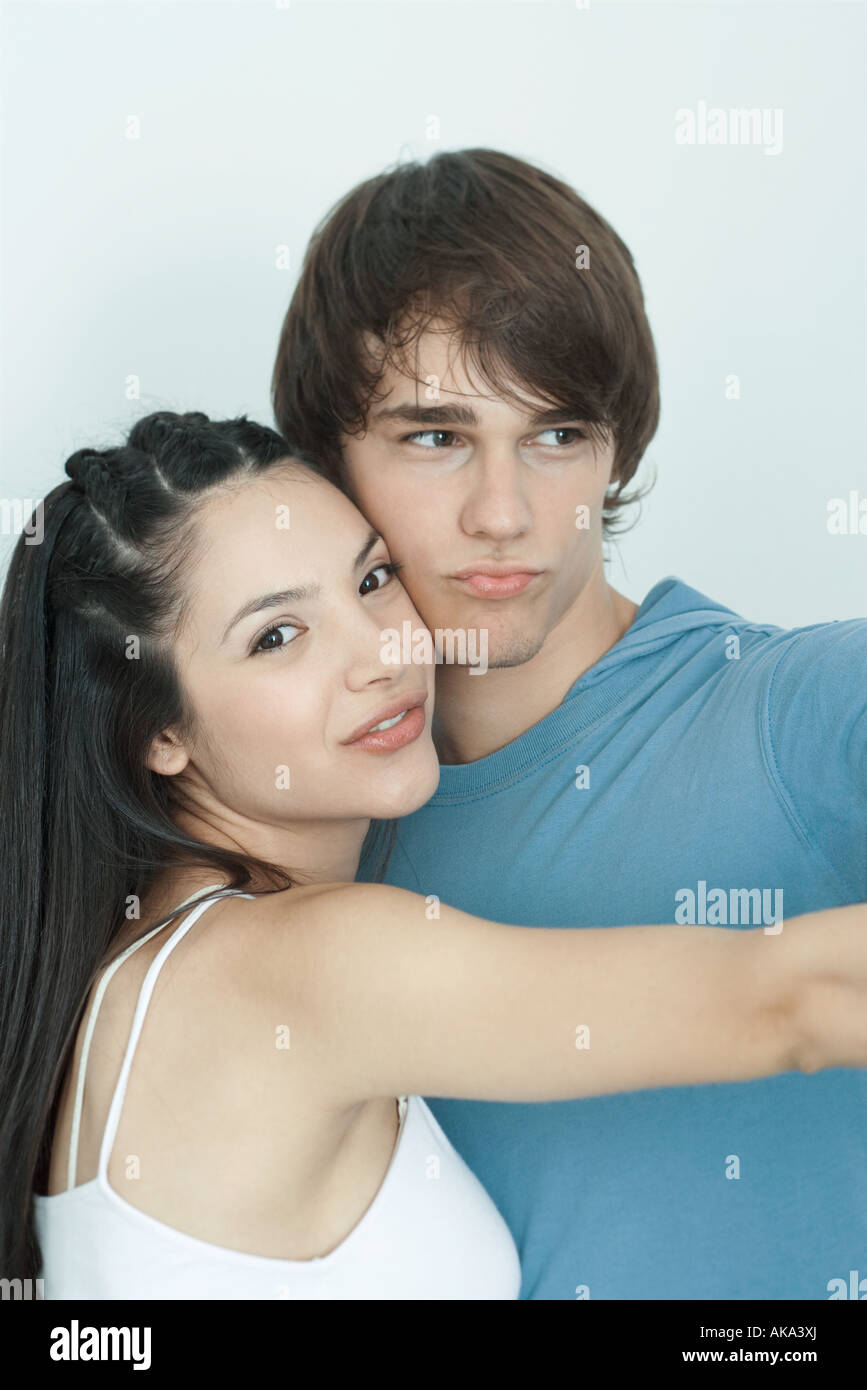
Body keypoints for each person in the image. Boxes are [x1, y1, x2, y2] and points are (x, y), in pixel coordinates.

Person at [1, 410, 865, 1300]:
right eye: (277, 636)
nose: (383, 649)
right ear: (160, 732)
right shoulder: (303, 963)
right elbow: (789, 1003)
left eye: (372, 578)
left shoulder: (143, 963)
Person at [271, 147, 867, 1300]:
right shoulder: (310, 821)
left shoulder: (789, 711)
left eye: (557, 437)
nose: (505, 515)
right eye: (436, 437)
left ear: (617, 449)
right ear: (325, 466)